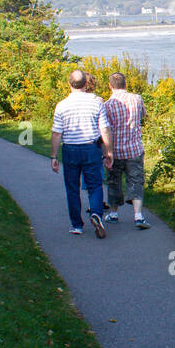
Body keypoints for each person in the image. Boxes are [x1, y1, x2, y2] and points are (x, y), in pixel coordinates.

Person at [50, 69, 114, 237]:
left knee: (72, 188)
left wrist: (54, 156)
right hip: (91, 148)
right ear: (86, 83)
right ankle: (96, 214)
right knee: (95, 185)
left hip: (70, 149)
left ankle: (77, 225)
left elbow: (56, 133)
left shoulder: (62, 105)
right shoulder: (96, 103)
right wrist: (108, 152)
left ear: (69, 84)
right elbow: (105, 129)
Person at [101, 71, 150, 229]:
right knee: (136, 181)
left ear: (110, 86)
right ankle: (138, 216)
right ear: (126, 84)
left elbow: (105, 128)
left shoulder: (107, 105)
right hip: (134, 148)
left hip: (115, 150)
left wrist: (105, 152)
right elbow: (143, 115)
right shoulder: (137, 98)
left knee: (114, 182)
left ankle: (114, 214)